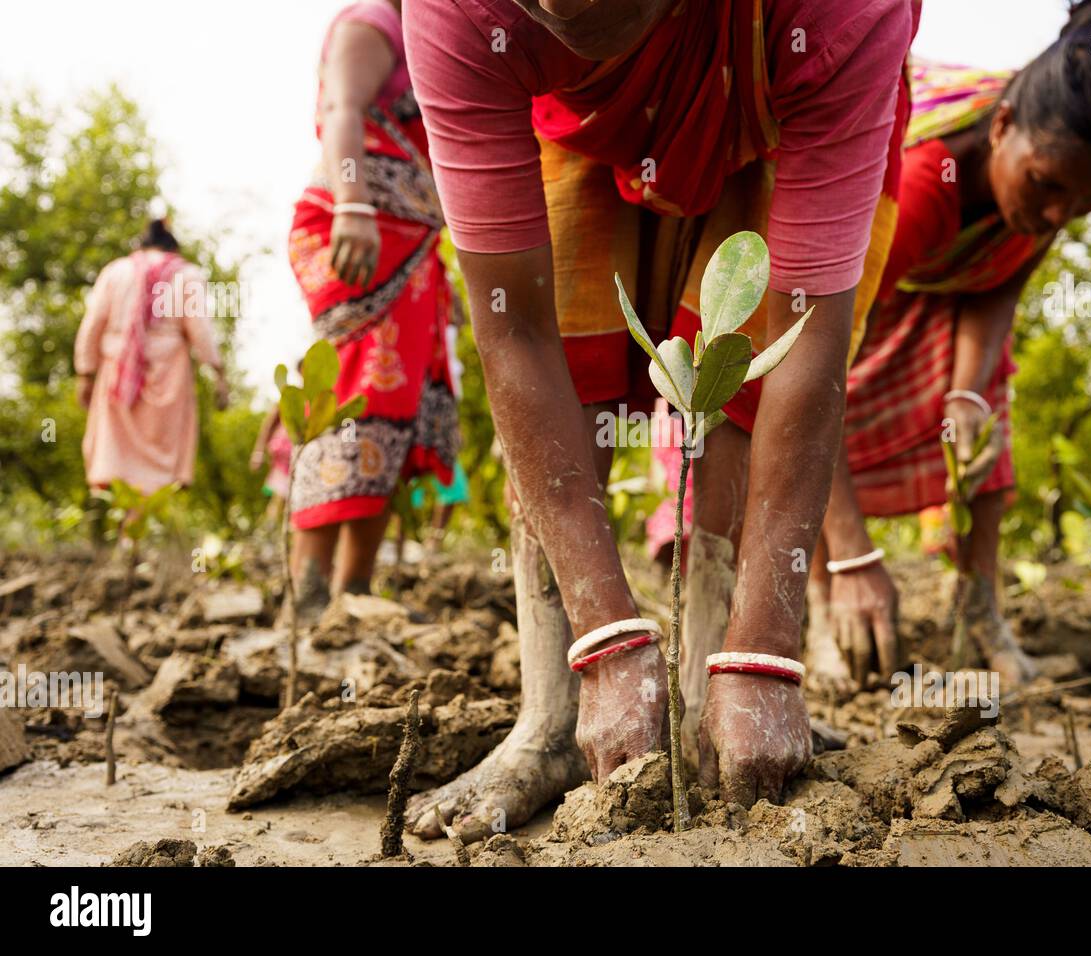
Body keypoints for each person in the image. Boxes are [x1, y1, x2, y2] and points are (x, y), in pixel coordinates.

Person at [402, 0, 916, 840]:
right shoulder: (457, 15)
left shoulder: (839, 15)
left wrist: (765, 653)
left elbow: (802, 337)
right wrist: (604, 638)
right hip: (575, 133)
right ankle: (552, 723)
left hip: (777, 119)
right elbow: (514, 326)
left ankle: (718, 704)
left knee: (741, 368)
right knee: (572, 350)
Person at [804, 0, 1091, 692]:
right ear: (1001, 127)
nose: (1060, 216)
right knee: (826, 402)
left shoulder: (1055, 177)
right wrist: (856, 556)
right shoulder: (922, 182)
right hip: (839, 278)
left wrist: (966, 391)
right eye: (1047, 187)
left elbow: (996, 284)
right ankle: (824, 603)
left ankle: (979, 606)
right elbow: (810, 369)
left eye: (1089, 202)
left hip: (924, 280)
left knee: (989, 398)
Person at [286, 0, 460, 614]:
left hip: (410, 249)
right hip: (363, 233)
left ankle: (353, 591)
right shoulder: (373, 20)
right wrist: (353, 205)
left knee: (396, 409)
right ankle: (309, 591)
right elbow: (343, 110)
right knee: (350, 399)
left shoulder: (420, 28)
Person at [74, 218, 229, 498]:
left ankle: (126, 530)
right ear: (173, 248)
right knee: (156, 464)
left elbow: (92, 324)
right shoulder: (187, 275)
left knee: (115, 457)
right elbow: (200, 330)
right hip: (168, 377)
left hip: (117, 376)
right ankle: (137, 526)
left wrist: (85, 373)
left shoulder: (116, 271)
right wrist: (218, 372)